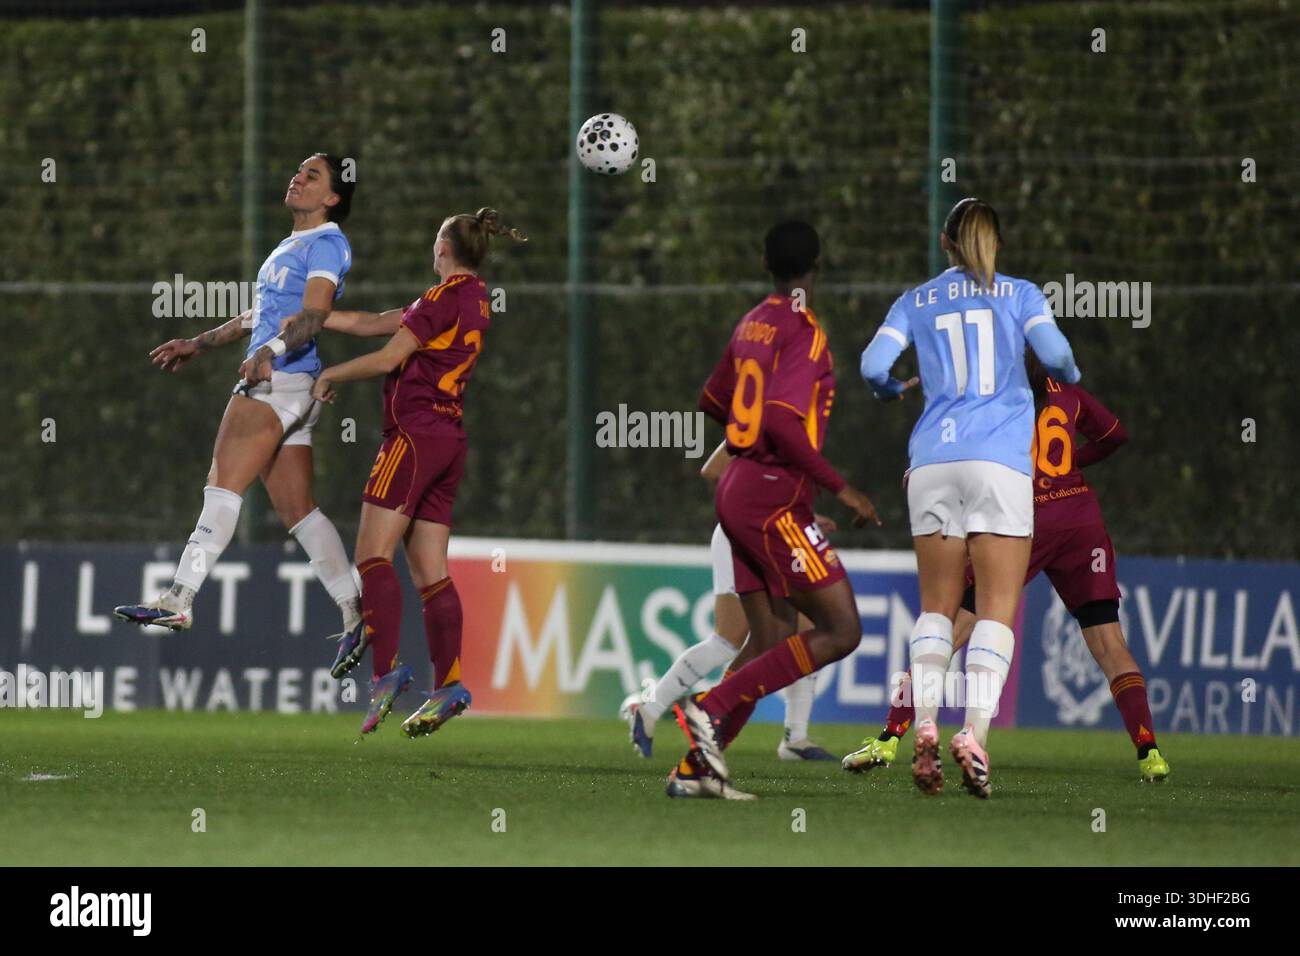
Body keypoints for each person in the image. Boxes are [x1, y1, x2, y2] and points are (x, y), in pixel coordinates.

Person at [844, 357, 1170, 781]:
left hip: (1025, 520)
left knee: (951, 624)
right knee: (1109, 642)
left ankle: (889, 738)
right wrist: (1071, 463)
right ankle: (1150, 752)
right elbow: (1115, 435)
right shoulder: (1067, 392)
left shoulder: (996, 400)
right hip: (1079, 522)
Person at [860, 196, 1081, 798]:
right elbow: (1057, 355)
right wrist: (1074, 376)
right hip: (999, 465)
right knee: (994, 611)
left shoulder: (917, 300)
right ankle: (974, 734)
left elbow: (873, 363)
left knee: (935, 608)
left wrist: (888, 391)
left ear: (944, 242)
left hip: (931, 462)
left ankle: (925, 722)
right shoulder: (1022, 295)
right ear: (998, 244)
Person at [668, 220, 881, 800]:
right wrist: (843, 489)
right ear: (817, 265)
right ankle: (709, 707)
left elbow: (711, 398)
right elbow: (784, 420)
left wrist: (747, 422)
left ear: (765, 261)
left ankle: (697, 771)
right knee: (842, 629)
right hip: (773, 495)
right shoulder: (804, 330)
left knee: (771, 639)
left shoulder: (752, 321)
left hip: (737, 488)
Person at [115, 154, 363, 651]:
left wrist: (271, 353)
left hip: (279, 379)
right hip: (295, 384)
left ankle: (180, 597)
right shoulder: (289, 247)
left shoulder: (327, 243)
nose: (298, 178)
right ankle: (356, 610)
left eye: (313, 176)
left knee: (222, 487)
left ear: (332, 198)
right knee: (299, 511)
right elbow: (260, 315)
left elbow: (315, 315)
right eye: (297, 170)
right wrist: (200, 342)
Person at [310, 208, 526, 736]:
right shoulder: (473, 300)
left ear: (445, 250)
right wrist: (317, 315)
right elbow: (376, 322)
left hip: (412, 437)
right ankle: (449, 683)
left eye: (435, 241)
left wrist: (330, 372)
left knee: (371, 555)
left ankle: (386, 674)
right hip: (450, 440)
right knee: (430, 572)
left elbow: (388, 357)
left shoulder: (440, 298)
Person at [621, 443, 837, 761]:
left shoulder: (796, 425)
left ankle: (795, 736)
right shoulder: (763, 422)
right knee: (728, 639)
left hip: (774, 536)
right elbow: (713, 469)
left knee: (808, 630)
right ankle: (652, 710)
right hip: (744, 534)